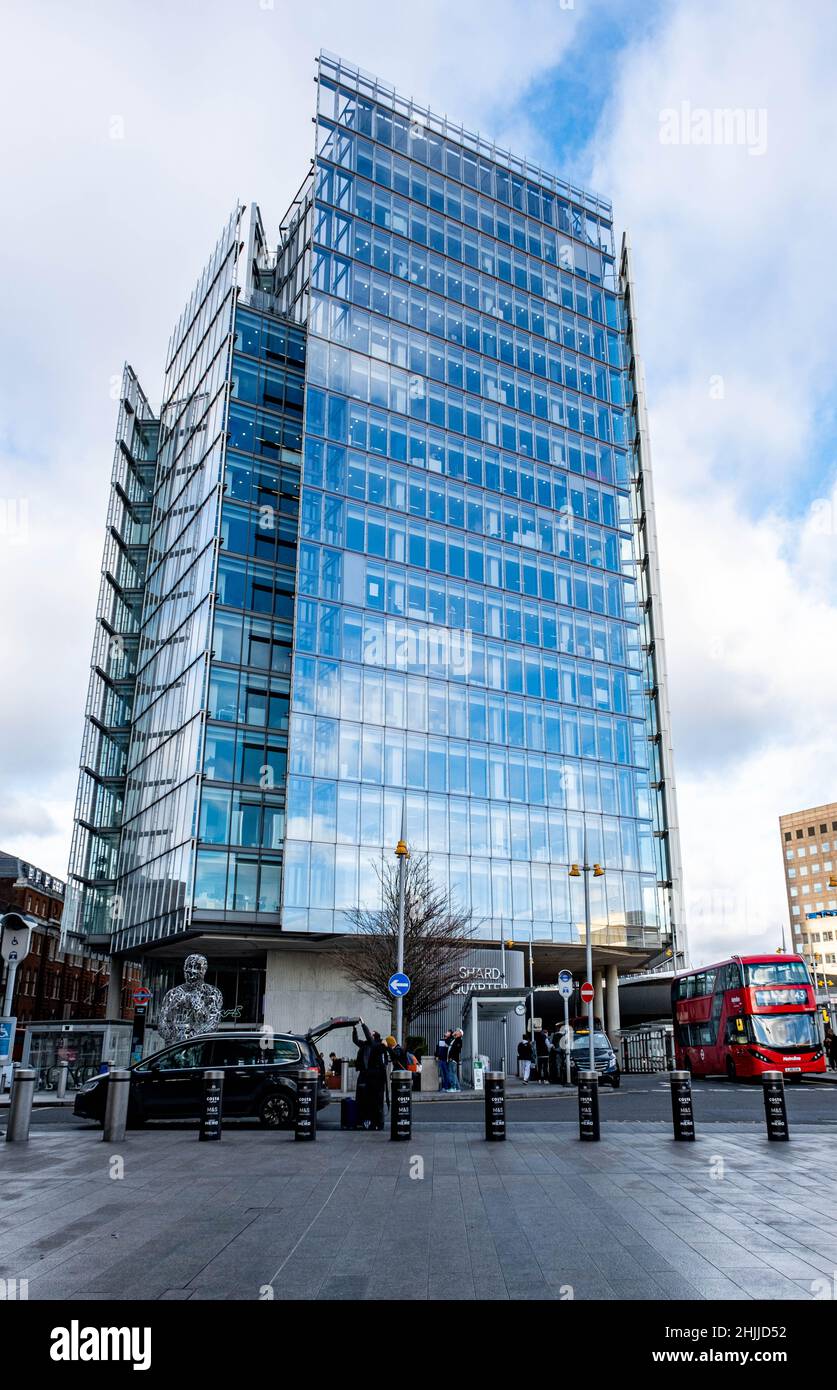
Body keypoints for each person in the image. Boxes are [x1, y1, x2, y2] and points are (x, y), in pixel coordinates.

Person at [352, 1019, 389, 1129]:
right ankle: (364, 1121)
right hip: (365, 1073)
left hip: (374, 1076)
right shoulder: (365, 1045)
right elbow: (355, 1040)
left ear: (375, 1038)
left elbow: (368, 1036)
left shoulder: (376, 1046)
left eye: (372, 1035)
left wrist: (363, 1024)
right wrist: (354, 1030)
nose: (369, 1036)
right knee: (362, 1098)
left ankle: (376, 1122)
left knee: (374, 1100)